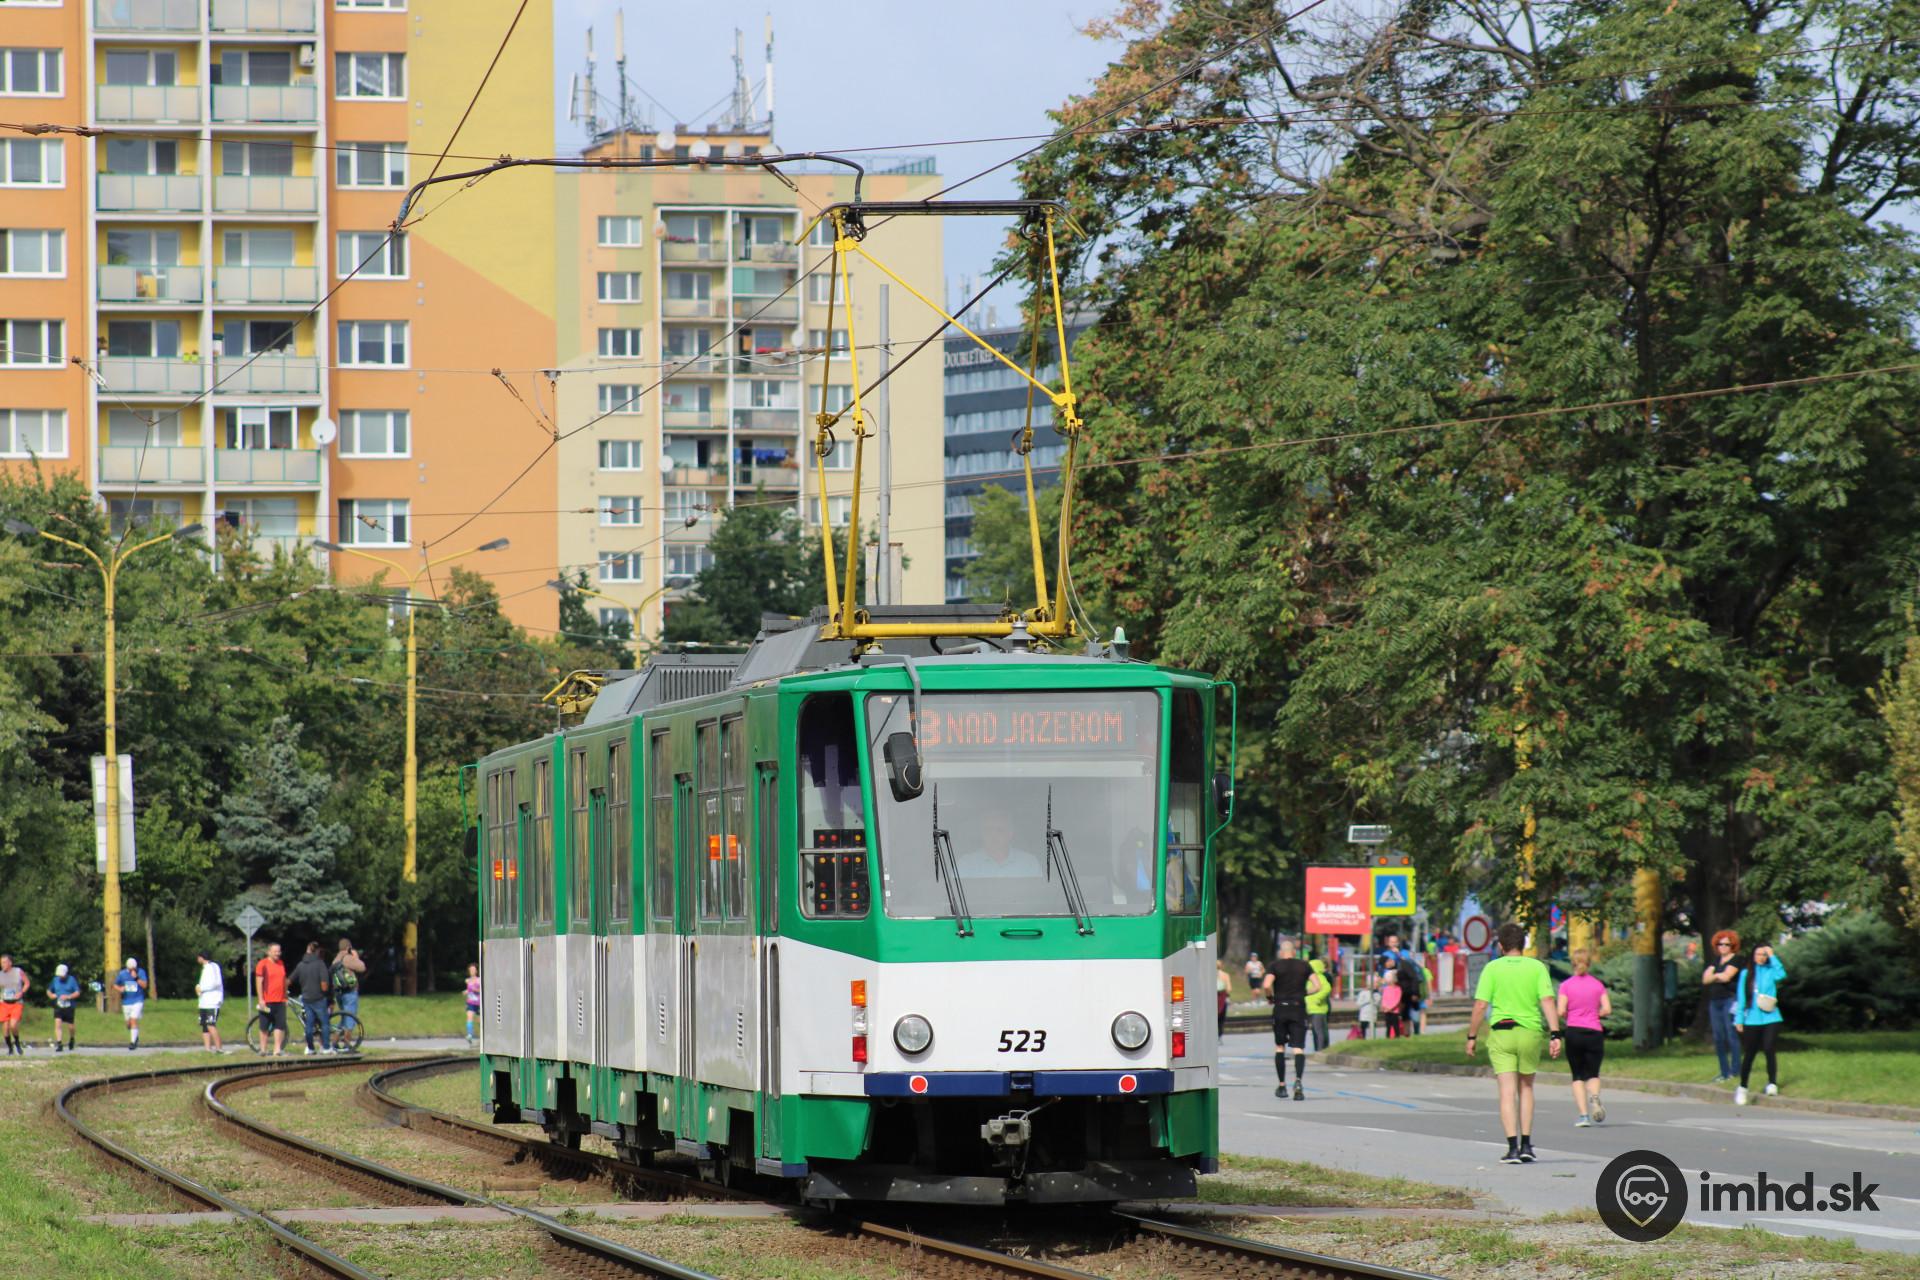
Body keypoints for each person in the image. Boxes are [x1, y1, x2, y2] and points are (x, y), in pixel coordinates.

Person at [1466, 922, 1563, 1164]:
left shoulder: (1492, 968)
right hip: (1529, 1032)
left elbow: (1480, 1006)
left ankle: (1511, 1149)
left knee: (1507, 1092)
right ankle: (1527, 1145)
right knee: (1527, 1088)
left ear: (1500, 946)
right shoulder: (1537, 967)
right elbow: (1548, 1001)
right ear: (1524, 944)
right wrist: (1555, 1033)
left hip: (1502, 1033)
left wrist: (1472, 1036)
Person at [1262, 939, 1325, 1098]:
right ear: (1294, 952)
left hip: (1281, 1008)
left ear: (1282, 952)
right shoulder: (1304, 965)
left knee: (1280, 1046)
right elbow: (1317, 986)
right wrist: (1304, 993)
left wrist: (1270, 996)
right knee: (1298, 1048)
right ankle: (1298, 1081)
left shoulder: (1275, 966)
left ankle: (1282, 1086)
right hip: (1298, 1008)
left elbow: (1266, 985)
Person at [1557, 949, 1612, 1126]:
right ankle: (1595, 1098)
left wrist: (1570, 1015)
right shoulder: (1598, 985)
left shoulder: (1566, 985)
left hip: (1574, 1032)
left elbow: (1560, 1011)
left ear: (1573, 963)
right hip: (1594, 1032)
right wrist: (1596, 1013)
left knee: (1578, 1075)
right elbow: (1607, 1009)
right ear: (1589, 963)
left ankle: (1583, 1116)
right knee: (1593, 1073)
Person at [1733, 942, 1786, 1105]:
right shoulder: (1745, 974)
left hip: (1771, 1016)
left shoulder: (1771, 970)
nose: (1761, 957)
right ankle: (1743, 1087)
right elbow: (1741, 997)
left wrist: (1772, 956)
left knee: (1769, 1048)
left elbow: (1781, 975)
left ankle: (1772, 1083)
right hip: (1752, 1018)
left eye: (1764, 954)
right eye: (1758, 954)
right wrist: (1739, 1019)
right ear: (1753, 956)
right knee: (1750, 1052)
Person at [1701, 929, 1744, 1082]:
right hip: (1715, 1001)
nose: (1723, 947)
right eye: (1720, 944)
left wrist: (1716, 976)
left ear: (1733, 945)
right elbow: (1705, 980)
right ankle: (1724, 1071)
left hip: (1730, 1000)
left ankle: (1735, 1070)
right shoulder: (1715, 961)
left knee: (1731, 1035)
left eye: (1727, 944)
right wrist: (1717, 976)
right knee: (1718, 1037)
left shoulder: (1737, 960)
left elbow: (1727, 977)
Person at [291, 941, 333, 1055]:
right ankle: (326, 1047)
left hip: (306, 998)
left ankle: (310, 1048)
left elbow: (289, 980)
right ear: (317, 951)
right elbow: (324, 984)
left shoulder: (301, 965)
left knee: (309, 1024)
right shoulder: (320, 964)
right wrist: (324, 992)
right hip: (319, 998)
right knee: (324, 1023)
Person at [255, 942, 289, 1057]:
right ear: (269, 952)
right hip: (267, 1000)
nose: (277, 954)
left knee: (280, 1025)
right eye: (275, 952)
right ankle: (263, 1049)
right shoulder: (262, 964)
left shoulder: (281, 963)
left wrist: (285, 997)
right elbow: (259, 982)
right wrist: (261, 999)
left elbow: (284, 981)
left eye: (279, 951)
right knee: (264, 1025)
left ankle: (277, 1049)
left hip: (280, 1000)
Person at [195, 949, 226, 1053]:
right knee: (204, 1025)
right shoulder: (205, 968)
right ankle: (207, 1048)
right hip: (204, 1002)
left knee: (210, 1024)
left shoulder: (213, 967)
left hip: (212, 1002)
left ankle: (219, 1048)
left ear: (201, 957)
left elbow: (215, 983)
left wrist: (202, 988)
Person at [331, 937, 366, 1024]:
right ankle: (347, 1037)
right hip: (349, 992)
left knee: (344, 1018)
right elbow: (362, 967)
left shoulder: (335, 959)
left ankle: (336, 1037)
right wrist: (356, 957)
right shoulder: (348, 958)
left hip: (338, 992)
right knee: (350, 1018)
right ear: (348, 948)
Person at [115, 957, 146, 1050]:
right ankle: (135, 1035)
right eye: (130, 969)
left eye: (134, 969)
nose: (132, 970)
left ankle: (132, 1043)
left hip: (138, 1000)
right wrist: (120, 989)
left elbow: (144, 985)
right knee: (128, 1024)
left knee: (133, 1020)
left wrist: (136, 978)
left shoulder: (141, 972)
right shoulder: (122, 974)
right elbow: (115, 984)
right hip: (126, 1002)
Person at [0, 955, 29, 1055]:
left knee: (13, 1025)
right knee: (6, 1029)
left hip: (16, 1003)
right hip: (4, 1003)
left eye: (4, 962)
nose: (2, 964)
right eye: (1, 962)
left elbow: (27, 983)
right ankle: (10, 1048)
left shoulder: (18, 971)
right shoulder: (0, 974)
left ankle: (17, 1042)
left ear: (10, 963)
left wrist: (21, 992)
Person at [47, 963, 80, 1052]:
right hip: (58, 1004)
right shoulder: (55, 980)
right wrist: (51, 995)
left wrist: (68, 996)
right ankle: (59, 1043)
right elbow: (49, 991)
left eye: (62, 975)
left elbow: (77, 992)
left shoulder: (71, 980)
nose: (61, 977)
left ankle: (72, 1039)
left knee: (70, 1026)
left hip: (69, 1005)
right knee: (58, 1023)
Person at [1305, 954, 1332, 1050]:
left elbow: (1327, 988)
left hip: (1318, 1008)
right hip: (1310, 1009)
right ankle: (1317, 1048)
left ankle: (1321, 1049)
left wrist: (1318, 998)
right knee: (1315, 1031)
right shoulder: (1309, 979)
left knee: (1319, 1031)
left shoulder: (1320, 977)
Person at [464, 963, 482, 1047]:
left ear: (476, 971)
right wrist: (466, 992)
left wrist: (475, 989)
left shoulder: (479, 980)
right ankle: (470, 1035)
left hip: (478, 1003)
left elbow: (480, 991)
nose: (472, 971)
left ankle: (483, 1035)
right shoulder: (467, 980)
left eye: (473, 970)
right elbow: (469, 990)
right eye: (470, 970)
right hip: (470, 1002)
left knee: (479, 1021)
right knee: (469, 1017)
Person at [1215, 960, 1232, 1036]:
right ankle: (1220, 1034)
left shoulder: (1208, 974)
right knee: (1221, 1017)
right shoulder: (1225, 975)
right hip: (1222, 996)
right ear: (1221, 966)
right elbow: (1229, 988)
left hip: (1212, 997)